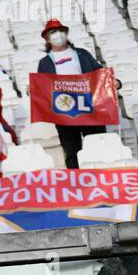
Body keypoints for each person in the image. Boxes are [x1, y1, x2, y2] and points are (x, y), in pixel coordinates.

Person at [37, 18, 106, 168]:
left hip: (89, 106)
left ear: (66, 33)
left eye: (60, 31)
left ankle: (104, 180)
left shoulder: (82, 54)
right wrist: (33, 89)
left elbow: (99, 73)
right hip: (63, 111)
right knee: (72, 151)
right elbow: (42, 87)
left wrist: (115, 82)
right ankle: (79, 185)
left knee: (98, 146)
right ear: (47, 38)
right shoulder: (44, 63)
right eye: (53, 32)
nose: (58, 34)